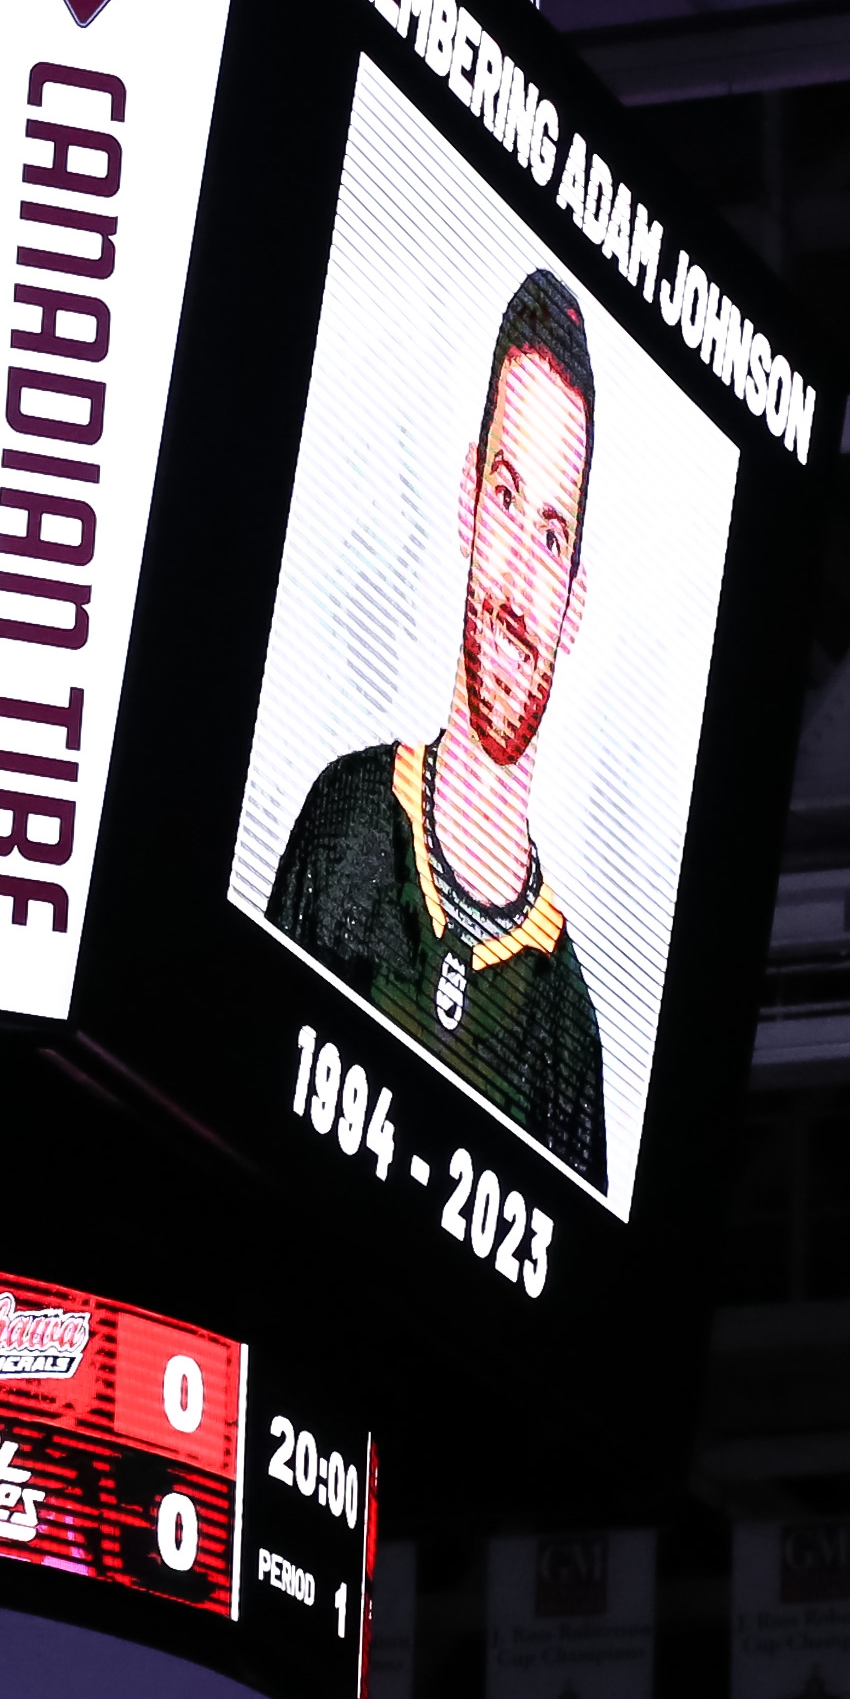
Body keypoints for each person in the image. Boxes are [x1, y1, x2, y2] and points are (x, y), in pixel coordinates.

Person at [266, 268, 607, 1180]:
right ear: (464, 500)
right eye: (505, 497)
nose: (521, 589)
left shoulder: (565, 1028)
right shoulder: (346, 822)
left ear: (576, 597)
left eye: (551, 536)